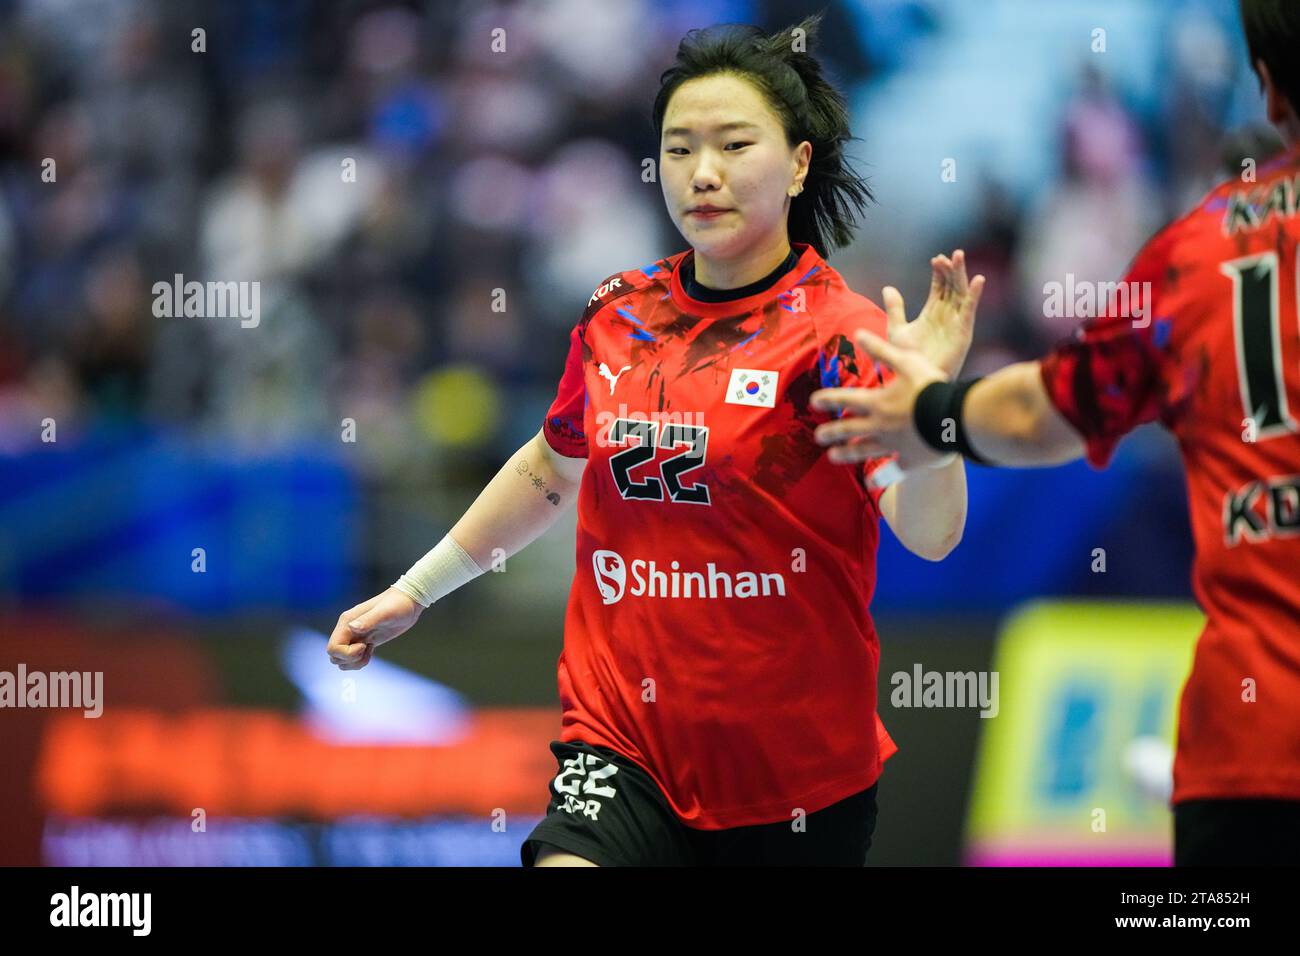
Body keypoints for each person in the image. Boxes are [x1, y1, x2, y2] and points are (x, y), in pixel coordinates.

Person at [327, 14, 983, 866]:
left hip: (796, 782)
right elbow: (550, 468)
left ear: (797, 163)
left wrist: (931, 413)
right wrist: (415, 591)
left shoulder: (844, 341)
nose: (701, 174)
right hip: (620, 746)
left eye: (734, 145)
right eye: (678, 150)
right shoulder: (617, 314)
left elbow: (931, 537)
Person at [808, 0, 1300, 868]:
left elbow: (1051, 411)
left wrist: (926, 412)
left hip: (1254, 758)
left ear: (1268, 91)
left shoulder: (1200, 253)